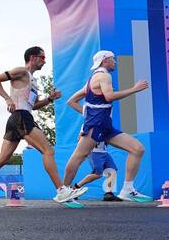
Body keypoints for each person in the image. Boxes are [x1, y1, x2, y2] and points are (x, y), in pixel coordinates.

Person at [0, 47, 82, 207]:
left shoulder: (33, 81)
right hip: (21, 116)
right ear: (33, 57)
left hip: (20, 116)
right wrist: (8, 99)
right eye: (42, 57)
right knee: (48, 151)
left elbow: (34, 106)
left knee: (3, 158)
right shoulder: (21, 71)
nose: (45, 61)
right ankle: (61, 190)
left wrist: (50, 99)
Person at [59, 50, 152, 202]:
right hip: (96, 125)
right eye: (113, 59)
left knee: (137, 149)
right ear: (105, 60)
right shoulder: (103, 76)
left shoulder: (92, 79)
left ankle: (127, 189)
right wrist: (134, 89)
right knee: (78, 156)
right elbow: (109, 96)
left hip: (106, 126)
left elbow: (71, 100)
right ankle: (64, 189)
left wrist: (87, 112)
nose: (115, 62)